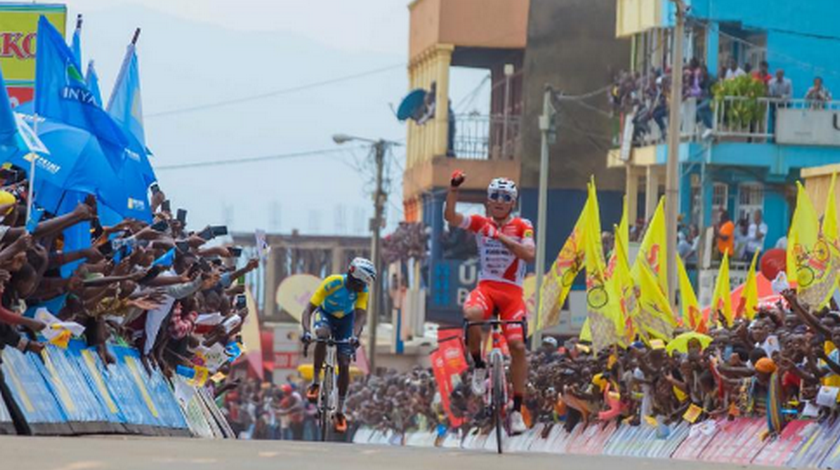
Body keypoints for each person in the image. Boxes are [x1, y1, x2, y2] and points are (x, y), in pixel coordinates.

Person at [443, 171, 535, 435]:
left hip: (512, 294)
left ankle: (516, 411)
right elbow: (451, 217)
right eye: (494, 195)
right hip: (487, 288)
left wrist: (500, 237)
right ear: (488, 200)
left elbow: (529, 253)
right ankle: (479, 366)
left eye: (505, 197)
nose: (499, 201)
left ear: (512, 202)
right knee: (472, 313)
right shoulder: (480, 222)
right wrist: (453, 190)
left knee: (517, 346)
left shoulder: (522, 225)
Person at [300, 257, 375, 433]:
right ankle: (316, 382)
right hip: (325, 314)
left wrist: (355, 336)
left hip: (346, 321)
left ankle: (340, 411)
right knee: (323, 336)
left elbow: (361, 316)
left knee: (344, 362)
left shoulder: (362, 290)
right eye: (360, 284)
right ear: (353, 277)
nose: (362, 289)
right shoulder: (333, 282)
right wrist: (306, 331)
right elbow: (308, 309)